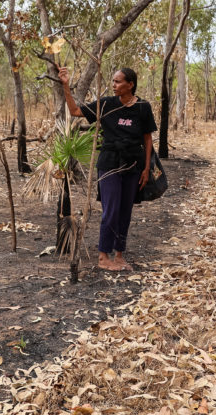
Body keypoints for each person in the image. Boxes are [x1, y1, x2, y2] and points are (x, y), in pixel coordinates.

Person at [57, 66, 156, 272]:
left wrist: (147, 169)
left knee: (125, 212)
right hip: (109, 164)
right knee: (110, 211)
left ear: (131, 84)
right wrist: (65, 84)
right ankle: (103, 256)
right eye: (113, 81)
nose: (114, 85)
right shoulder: (106, 105)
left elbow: (147, 139)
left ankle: (119, 255)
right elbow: (76, 111)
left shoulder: (143, 108)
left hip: (133, 166)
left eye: (118, 82)